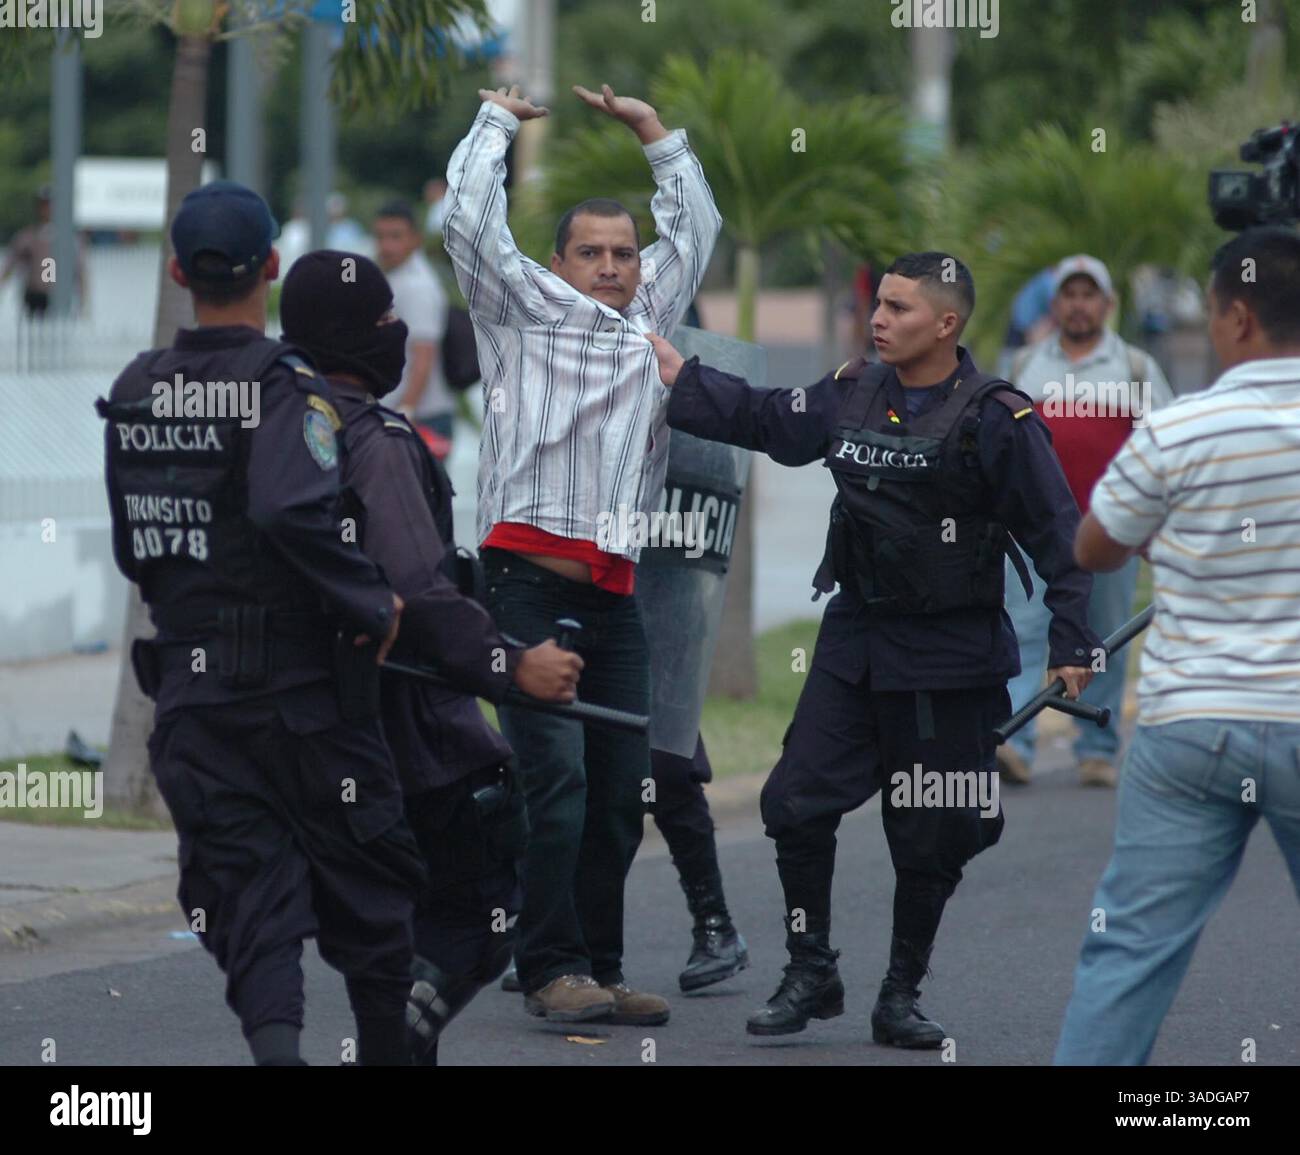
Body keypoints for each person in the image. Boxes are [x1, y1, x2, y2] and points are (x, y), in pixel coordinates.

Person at [646, 251, 1100, 1046]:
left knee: (933, 830)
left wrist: (1073, 641)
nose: (879, 319)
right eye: (878, 304)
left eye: (898, 308)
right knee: (792, 802)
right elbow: (771, 420)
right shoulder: (853, 387)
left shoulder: (998, 416)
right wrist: (685, 377)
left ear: (947, 323)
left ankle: (900, 992)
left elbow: (1059, 535)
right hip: (858, 637)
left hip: (950, 652)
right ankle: (810, 964)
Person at [95, 181, 424, 1066]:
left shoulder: (138, 387)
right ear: (270, 269)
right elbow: (287, 508)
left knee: (252, 909)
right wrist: (372, 600)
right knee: (374, 891)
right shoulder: (286, 387)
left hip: (196, 705)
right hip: (301, 702)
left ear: (176, 272)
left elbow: (137, 551)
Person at [442, 82, 721, 1026]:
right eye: (591, 252)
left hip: (617, 600)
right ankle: (547, 963)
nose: (610, 265)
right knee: (553, 783)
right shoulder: (517, 307)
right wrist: (494, 125)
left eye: (623, 253)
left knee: (617, 795)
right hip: (524, 589)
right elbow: (470, 225)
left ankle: (597, 967)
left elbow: (699, 226)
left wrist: (651, 130)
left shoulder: (651, 319)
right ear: (557, 261)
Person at [278, 250, 584, 1064]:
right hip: (414, 732)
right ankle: (399, 1031)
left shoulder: (272, 432)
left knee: (377, 926)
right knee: (484, 907)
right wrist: (512, 666)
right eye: (383, 321)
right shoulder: (375, 441)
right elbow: (417, 587)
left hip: (303, 736)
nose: (398, 332)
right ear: (349, 336)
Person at [1055, 227, 1300, 1065]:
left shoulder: (1181, 428)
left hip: (1191, 726)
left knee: (1127, 954)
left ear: (1235, 317)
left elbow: (1095, 548)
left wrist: (1179, 537)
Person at [998, 255, 1175, 788]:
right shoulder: (1024, 362)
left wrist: (1155, 524)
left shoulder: (1137, 367)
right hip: (1031, 531)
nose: (1078, 305)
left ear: (1107, 304)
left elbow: (1164, 445)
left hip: (1111, 531)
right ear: (1055, 305)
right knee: (1024, 632)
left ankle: (1097, 749)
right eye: (1069, 295)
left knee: (1103, 638)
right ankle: (1015, 742)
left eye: (1088, 295)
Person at [373, 200, 454, 457]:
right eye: (381, 236)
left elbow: (424, 355)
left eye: (396, 236)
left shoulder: (418, 286)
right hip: (407, 414)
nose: (387, 245)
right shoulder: (394, 277)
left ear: (415, 239)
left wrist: (406, 410)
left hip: (420, 416)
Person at [1, 186, 86, 316]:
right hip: (35, 296)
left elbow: (79, 271)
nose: (47, 209)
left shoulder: (68, 239)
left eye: (50, 205)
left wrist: (83, 303)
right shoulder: (28, 236)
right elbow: (9, 266)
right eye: (44, 205)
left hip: (60, 295)